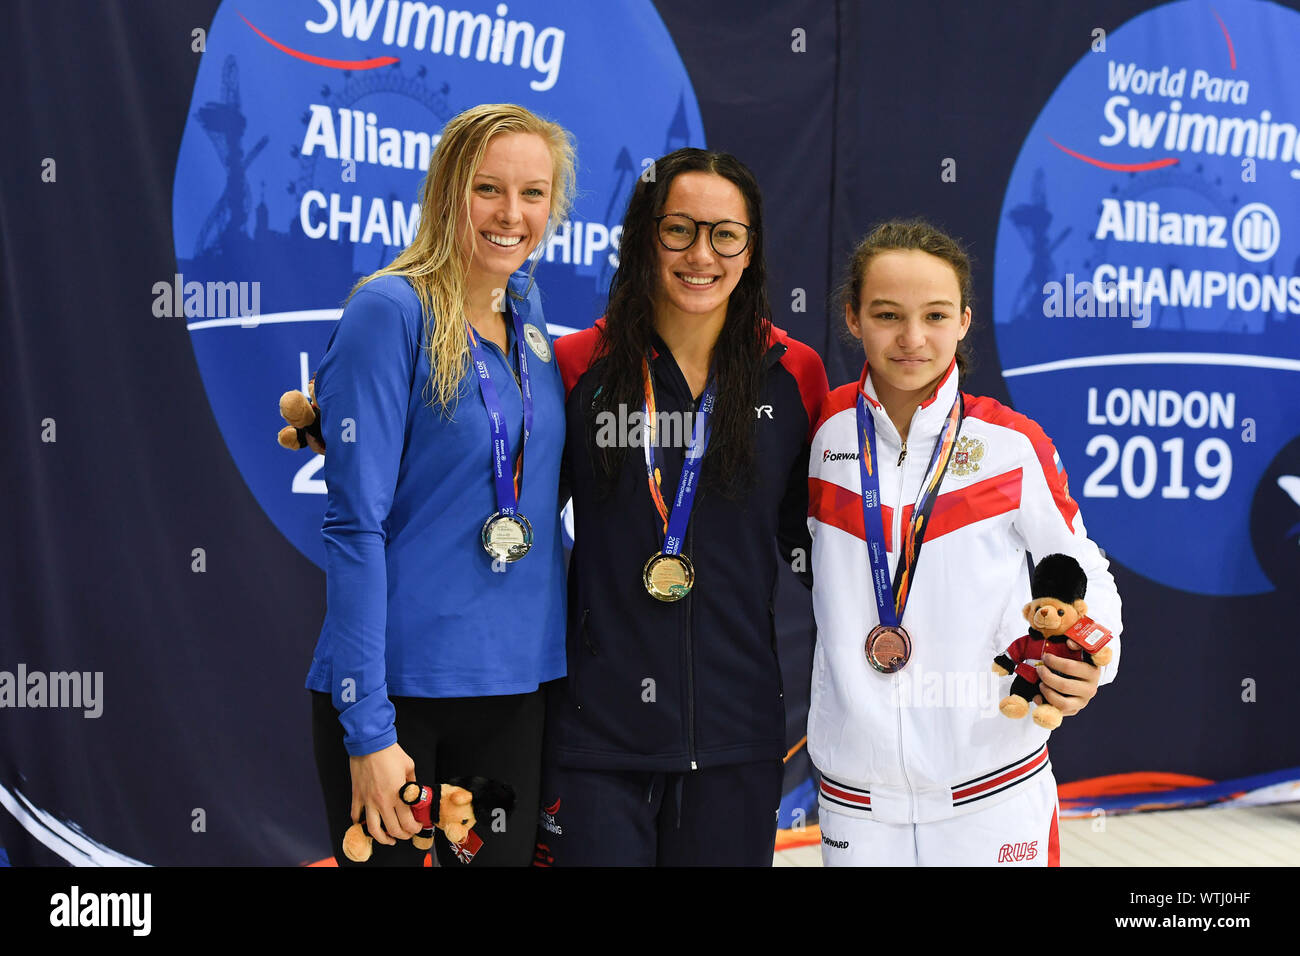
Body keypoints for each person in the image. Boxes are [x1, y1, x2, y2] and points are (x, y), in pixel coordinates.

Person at [300, 103, 576, 866]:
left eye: (533, 193)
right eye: (488, 189)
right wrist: (370, 731)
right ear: (446, 192)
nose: (511, 214)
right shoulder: (390, 310)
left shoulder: (525, 313)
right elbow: (355, 528)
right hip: (401, 698)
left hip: (517, 689)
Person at [537, 148, 829, 866]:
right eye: (679, 230)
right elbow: (499, 496)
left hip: (736, 736)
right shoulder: (577, 366)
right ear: (644, 236)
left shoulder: (795, 374)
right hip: (595, 738)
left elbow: (832, 548)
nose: (702, 254)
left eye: (725, 233)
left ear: (750, 248)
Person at [806, 219, 1124, 866]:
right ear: (852, 317)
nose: (913, 338)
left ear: (964, 321)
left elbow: (1079, 563)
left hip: (993, 785)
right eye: (888, 314)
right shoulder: (817, 433)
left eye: (936, 315)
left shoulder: (1011, 445)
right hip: (858, 797)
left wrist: (1092, 659)